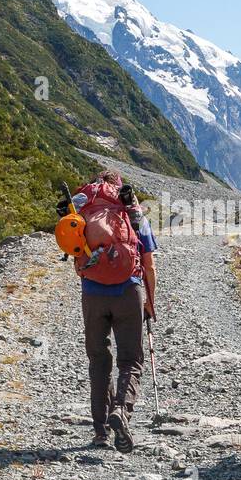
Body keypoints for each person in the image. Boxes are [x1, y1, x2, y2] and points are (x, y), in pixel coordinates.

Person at [57, 169, 157, 453]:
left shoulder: (83, 213)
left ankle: (100, 431)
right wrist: (150, 301)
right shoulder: (133, 214)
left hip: (92, 293)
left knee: (99, 360)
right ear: (120, 188)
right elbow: (149, 266)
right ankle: (121, 412)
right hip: (129, 289)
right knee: (130, 360)